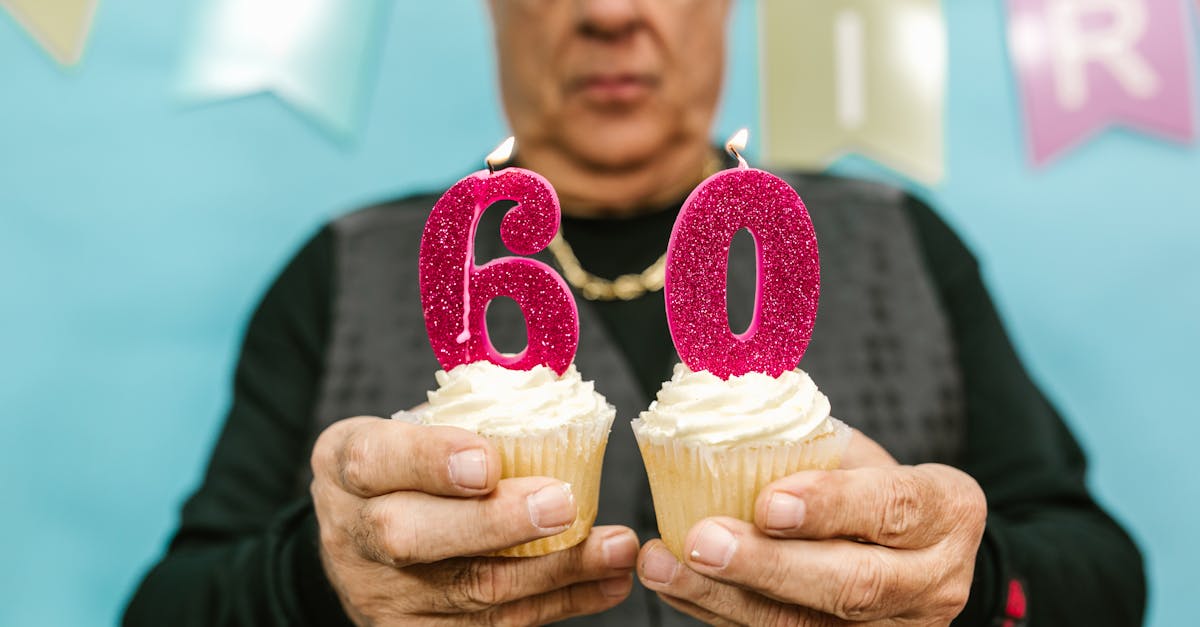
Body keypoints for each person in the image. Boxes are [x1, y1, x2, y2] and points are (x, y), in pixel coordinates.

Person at [124, 1, 1145, 625]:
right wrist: (318, 581)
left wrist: (967, 583)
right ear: (492, 12)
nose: (609, 11)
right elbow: (165, 608)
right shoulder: (344, 266)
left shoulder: (901, 240)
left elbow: (1103, 578)